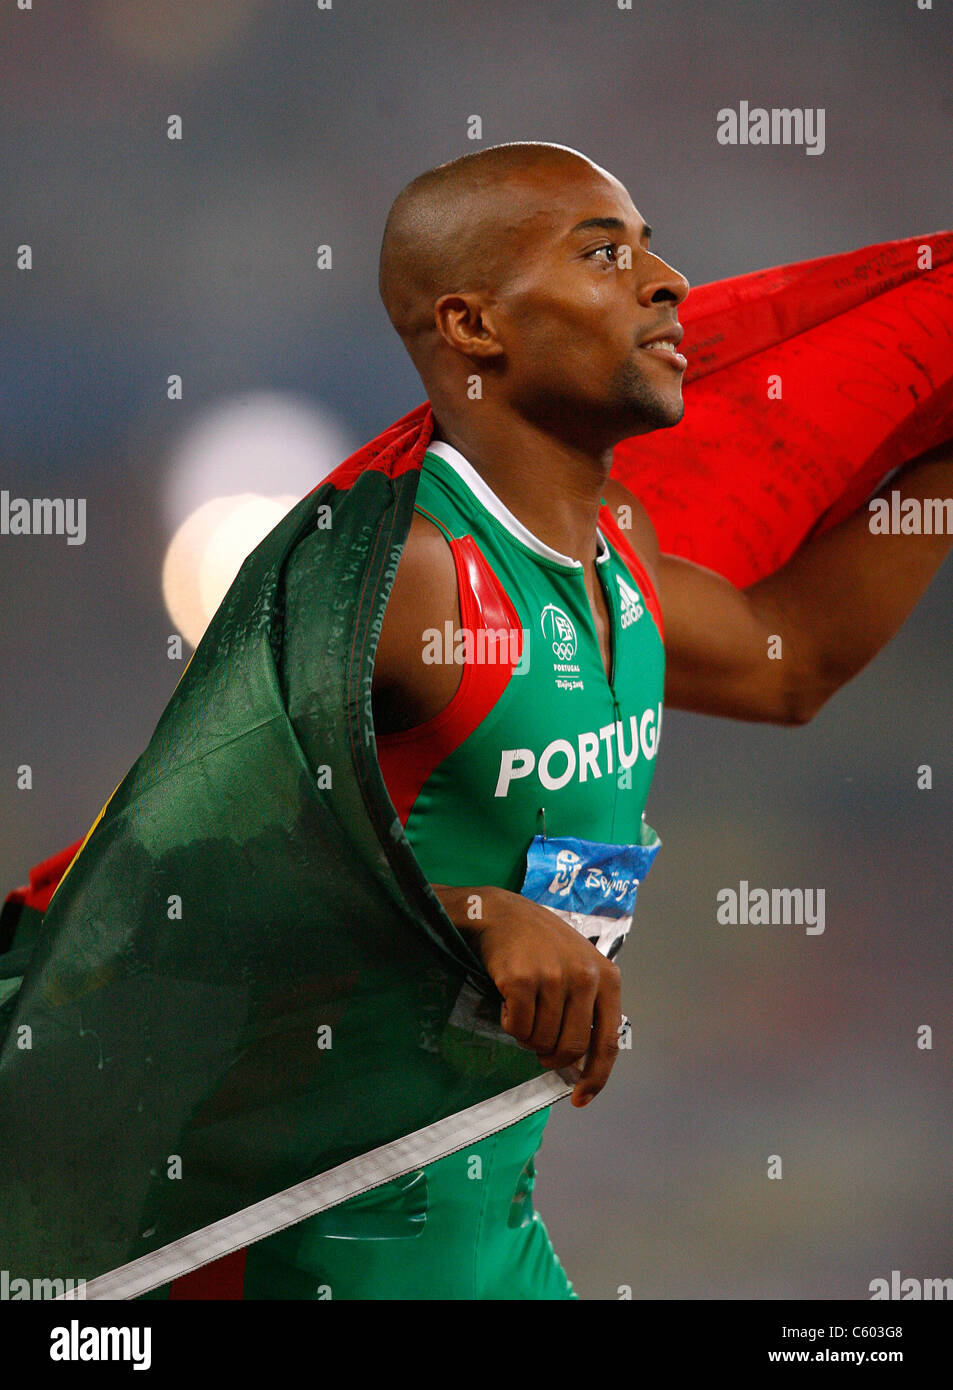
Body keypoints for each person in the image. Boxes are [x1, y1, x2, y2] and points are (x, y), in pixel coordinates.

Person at [184, 141, 953, 1299]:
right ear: (475, 326)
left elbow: (786, 663)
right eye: (604, 254)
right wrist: (475, 911)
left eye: (646, 243)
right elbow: (178, 892)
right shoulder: (399, 576)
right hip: (338, 1245)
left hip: (498, 1226)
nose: (667, 280)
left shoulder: (617, 553)